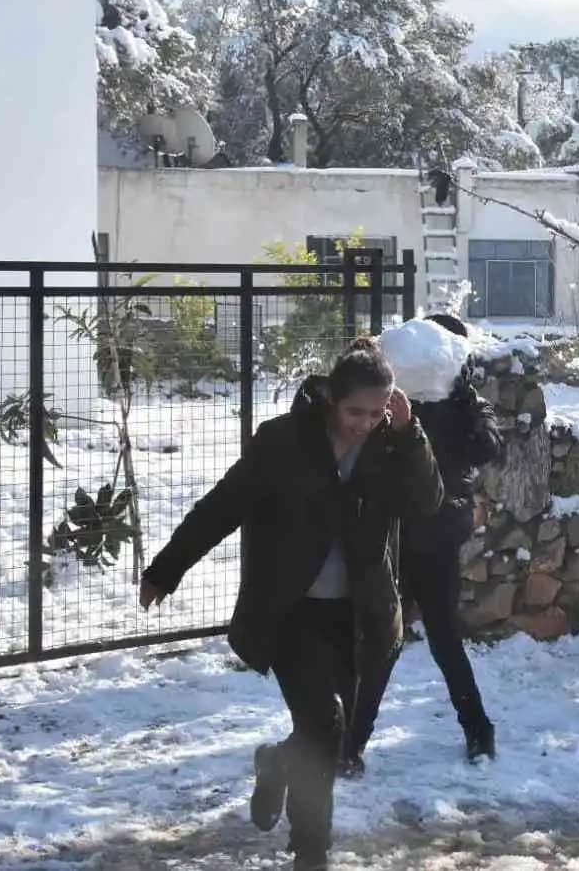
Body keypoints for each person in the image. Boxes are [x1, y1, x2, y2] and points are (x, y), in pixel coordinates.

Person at [139, 339, 444, 871]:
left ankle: (277, 763)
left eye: (377, 413)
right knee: (324, 725)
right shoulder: (283, 442)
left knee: (324, 736)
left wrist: (409, 433)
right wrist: (168, 568)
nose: (365, 423)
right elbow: (223, 505)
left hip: (356, 615)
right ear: (332, 400)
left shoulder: (391, 445)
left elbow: (426, 502)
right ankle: (311, 851)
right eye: (355, 412)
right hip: (289, 611)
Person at [342, 314, 504, 773]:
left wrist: (459, 399)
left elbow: (486, 447)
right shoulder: (392, 402)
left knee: (443, 638)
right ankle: (352, 743)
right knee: (382, 641)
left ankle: (478, 730)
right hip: (393, 537)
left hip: (437, 540)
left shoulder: (463, 404)